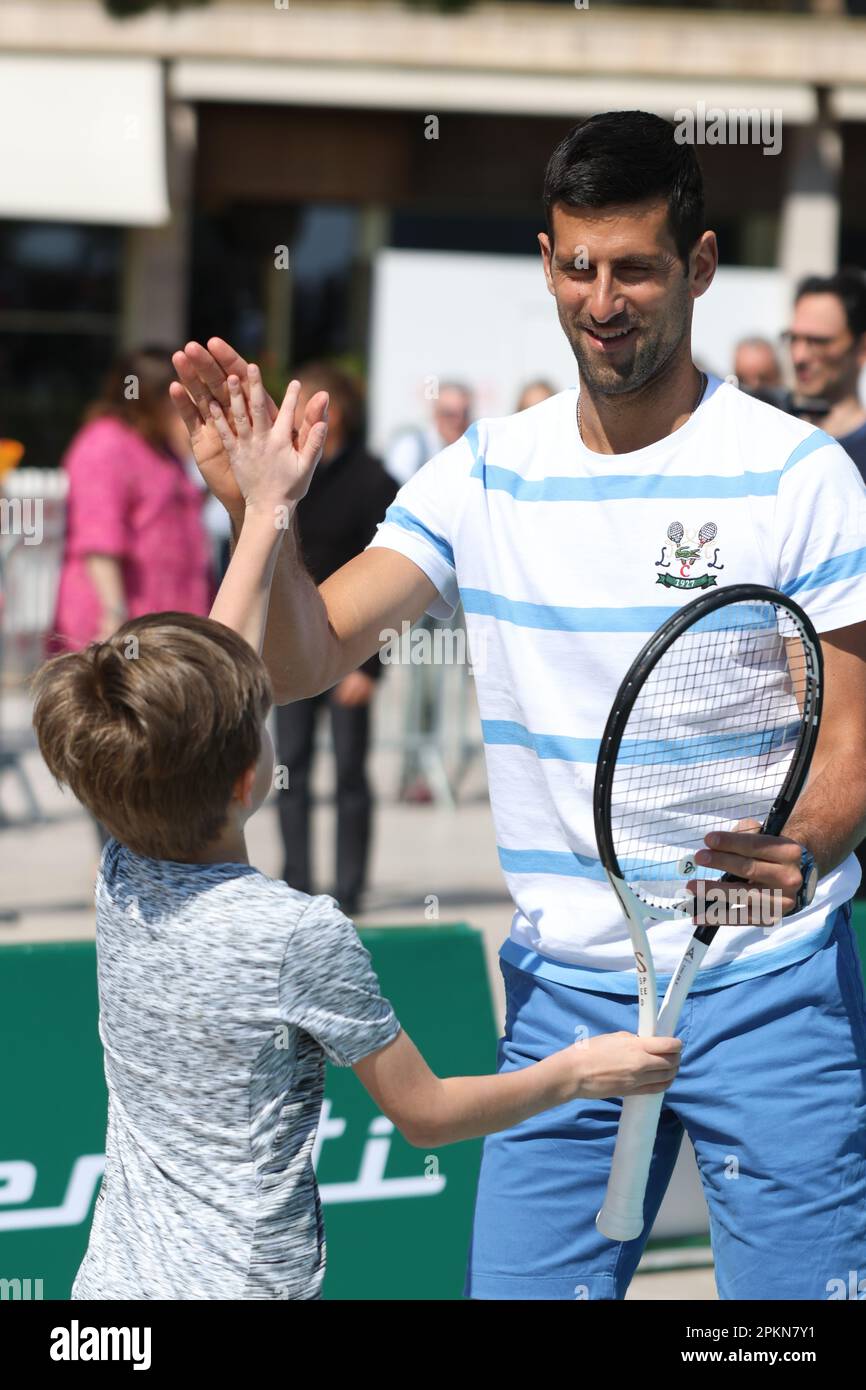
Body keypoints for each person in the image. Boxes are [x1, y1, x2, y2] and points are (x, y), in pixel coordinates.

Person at [172, 112, 866, 1301]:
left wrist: (721, 899)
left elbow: (848, 751)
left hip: (769, 991)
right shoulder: (481, 469)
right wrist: (266, 511)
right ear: (546, 259)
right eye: (577, 266)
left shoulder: (800, 474)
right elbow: (301, 654)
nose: (603, 300)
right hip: (561, 1003)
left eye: (637, 267)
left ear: (696, 267)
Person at [30, 370, 680, 1300]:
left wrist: (264, 508)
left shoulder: (121, 875)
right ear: (253, 774)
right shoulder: (296, 934)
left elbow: (216, 672)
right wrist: (580, 1072)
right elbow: (426, 1116)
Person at [274, 362, 396, 915]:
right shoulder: (284, 475)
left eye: (301, 405)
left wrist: (370, 668)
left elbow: (398, 577)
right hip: (289, 652)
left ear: (334, 412)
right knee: (289, 766)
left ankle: (350, 890)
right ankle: (295, 882)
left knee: (350, 770)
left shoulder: (374, 480)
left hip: (353, 651)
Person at [51, 348, 212, 653]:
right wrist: (114, 615)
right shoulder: (106, 442)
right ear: (151, 398)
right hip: (123, 626)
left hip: (165, 623)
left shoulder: (158, 447)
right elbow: (98, 535)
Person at [784, 269, 866, 481]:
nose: (799, 356)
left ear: (862, 348)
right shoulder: (771, 436)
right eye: (794, 339)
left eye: (818, 342)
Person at [384, 382, 473, 487]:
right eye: (449, 414)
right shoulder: (411, 446)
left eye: (464, 413)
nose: (458, 421)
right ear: (435, 414)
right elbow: (396, 489)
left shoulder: (475, 449)